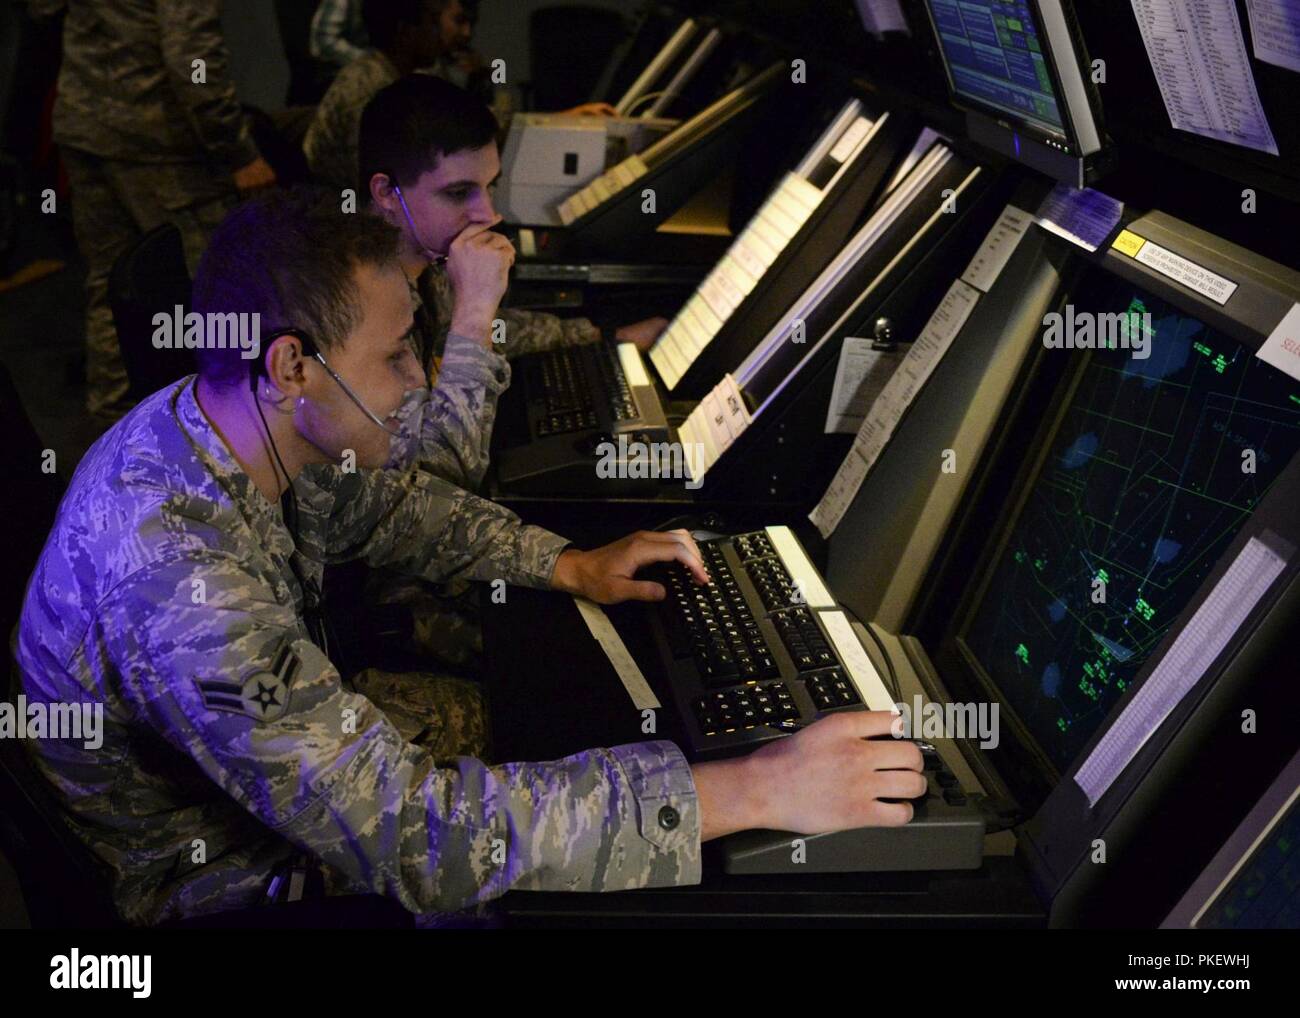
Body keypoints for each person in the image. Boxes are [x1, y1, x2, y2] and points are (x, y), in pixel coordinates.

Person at [16, 188, 925, 925]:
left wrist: (569, 564)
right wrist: (759, 788)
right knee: (579, 826)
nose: (418, 378)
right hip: (214, 873)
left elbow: (390, 506)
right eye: (396, 352)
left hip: (255, 777)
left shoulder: (234, 412)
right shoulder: (184, 589)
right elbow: (420, 840)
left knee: (564, 733)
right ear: (294, 367)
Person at [357, 74, 665, 673]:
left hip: (451, 549)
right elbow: (444, 473)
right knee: (618, 648)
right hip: (401, 597)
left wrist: (604, 338)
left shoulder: (415, 263)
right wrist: (475, 309)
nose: (488, 213)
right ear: (386, 192)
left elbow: (503, 335)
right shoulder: (356, 308)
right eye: (459, 192)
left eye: (490, 186)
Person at [51, 0, 277, 424]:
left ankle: (113, 448)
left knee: (109, 290)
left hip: (86, 123)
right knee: (217, 300)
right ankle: (225, 452)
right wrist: (237, 150)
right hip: (158, 142)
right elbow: (190, 56)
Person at [304, 0, 614, 193]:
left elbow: (469, 127)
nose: (460, 34)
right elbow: (375, 190)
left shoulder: (408, 79)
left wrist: (560, 119)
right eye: (442, 21)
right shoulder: (371, 88)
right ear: (406, 29)